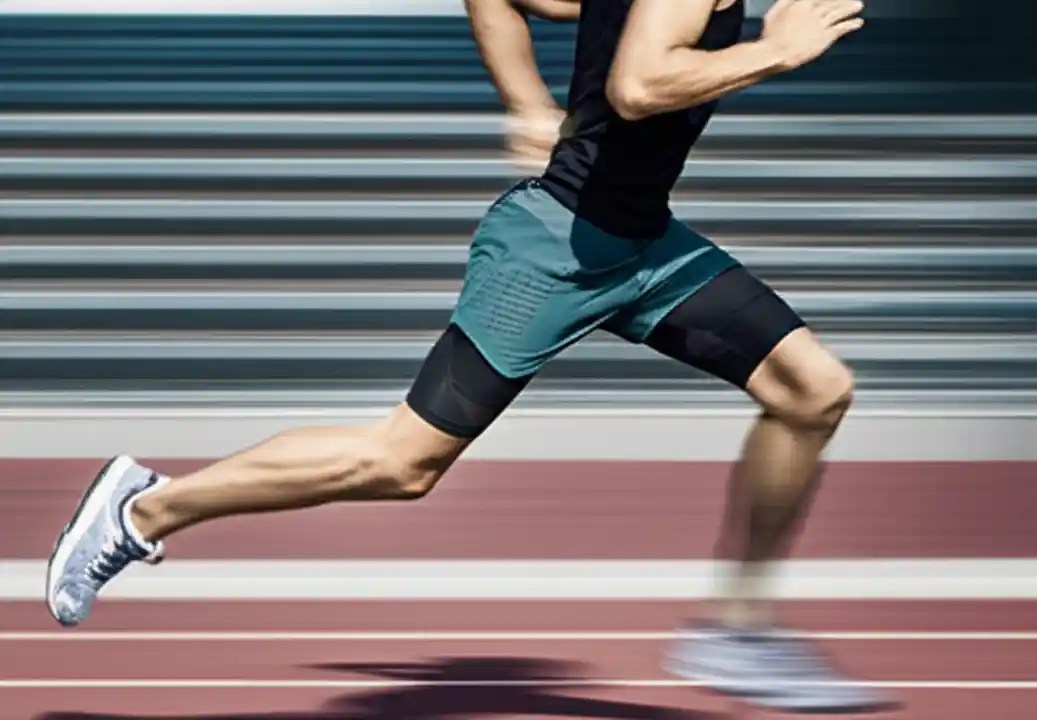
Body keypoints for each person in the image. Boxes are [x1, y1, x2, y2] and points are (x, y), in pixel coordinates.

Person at [46, 0, 888, 712]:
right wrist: (775, 50)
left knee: (812, 389)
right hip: (556, 249)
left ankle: (738, 630)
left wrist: (525, 103)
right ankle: (142, 512)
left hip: (641, 248)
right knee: (401, 461)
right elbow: (638, 86)